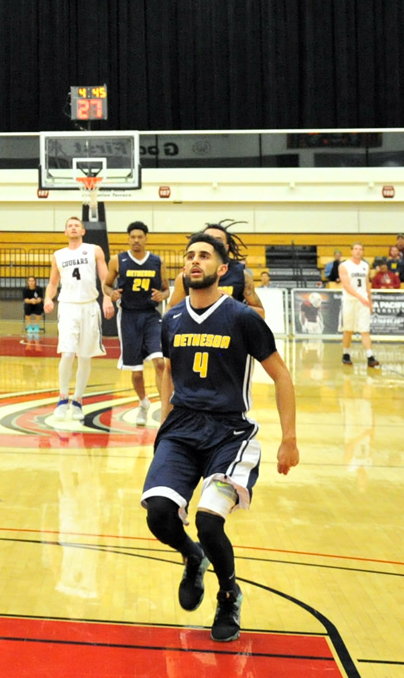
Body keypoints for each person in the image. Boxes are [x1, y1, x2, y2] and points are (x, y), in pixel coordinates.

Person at [142, 232, 300, 643]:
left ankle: (228, 594)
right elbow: (169, 373)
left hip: (229, 433)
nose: (196, 261)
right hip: (181, 430)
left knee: (209, 522)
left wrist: (290, 439)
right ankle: (192, 556)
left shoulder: (243, 317)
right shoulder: (171, 319)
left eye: (205, 256)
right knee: (158, 513)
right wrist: (165, 421)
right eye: (190, 256)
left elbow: (281, 375)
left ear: (222, 269)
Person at [43, 215, 112, 423]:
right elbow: (53, 283)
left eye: (76, 226)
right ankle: (62, 398)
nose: (73, 228)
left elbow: (105, 278)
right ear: (65, 232)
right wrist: (48, 298)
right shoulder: (58, 255)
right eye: (69, 226)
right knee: (67, 353)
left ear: (83, 231)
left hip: (90, 306)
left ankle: (78, 400)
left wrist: (107, 299)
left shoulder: (94, 250)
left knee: (84, 356)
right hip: (68, 306)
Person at [106, 220, 168, 425]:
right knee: (137, 372)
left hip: (151, 315)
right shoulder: (117, 260)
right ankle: (143, 403)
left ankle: (166, 409)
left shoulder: (157, 261)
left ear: (146, 239)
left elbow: (167, 289)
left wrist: (162, 294)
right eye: (133, 237)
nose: (136, 240)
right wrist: (112, 294)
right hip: (128, 317)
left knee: (160, 362)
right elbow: (106, 285)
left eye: (140, 237)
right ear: (128, 239)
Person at [163, 224, 267, 318]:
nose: (211, 243)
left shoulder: (241, 275)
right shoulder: (185, 276)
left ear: (226, 247)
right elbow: (171, 310)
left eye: (217, 240)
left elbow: (260, 313)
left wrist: (232, 304)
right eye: (207, 239)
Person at [338, 242, 378, 369]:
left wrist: (369, 301)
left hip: (363, 302)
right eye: (355, 249)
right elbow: (346, 285)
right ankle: (346, 353)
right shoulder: (344, 266)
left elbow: (367, 285)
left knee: (365, 330)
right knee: (348, 330)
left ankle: (370, 356)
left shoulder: (365, 266)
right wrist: (360, 297)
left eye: (360, 249)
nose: (358, 251)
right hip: (350, 301)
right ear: (351, 251)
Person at [22, 276, 43, 347]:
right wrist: (31, 301)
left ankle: (37, 325)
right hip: (29, 304)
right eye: (30, 281)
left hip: (37, 303)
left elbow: (40, 298)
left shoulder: (39, 289)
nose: (31, 282)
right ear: (28, 282)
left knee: (39, 306)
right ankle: (30, 325)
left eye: (32, 281)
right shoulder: (25, 289)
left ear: (35, 282)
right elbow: (25, 299)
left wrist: (36, 301)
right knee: (26, 306)